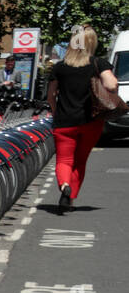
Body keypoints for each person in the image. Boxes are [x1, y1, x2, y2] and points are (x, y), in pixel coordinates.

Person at [45, 25, 119, 212]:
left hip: (64, 122)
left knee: (63, 160)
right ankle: (70, 200)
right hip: (90, 121)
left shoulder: (60, 67)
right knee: (80, 161)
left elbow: (50, 95)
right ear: (91, 42)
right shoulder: (97, 63)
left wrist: (55, 112)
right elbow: (112, 84)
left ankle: (64, 186)